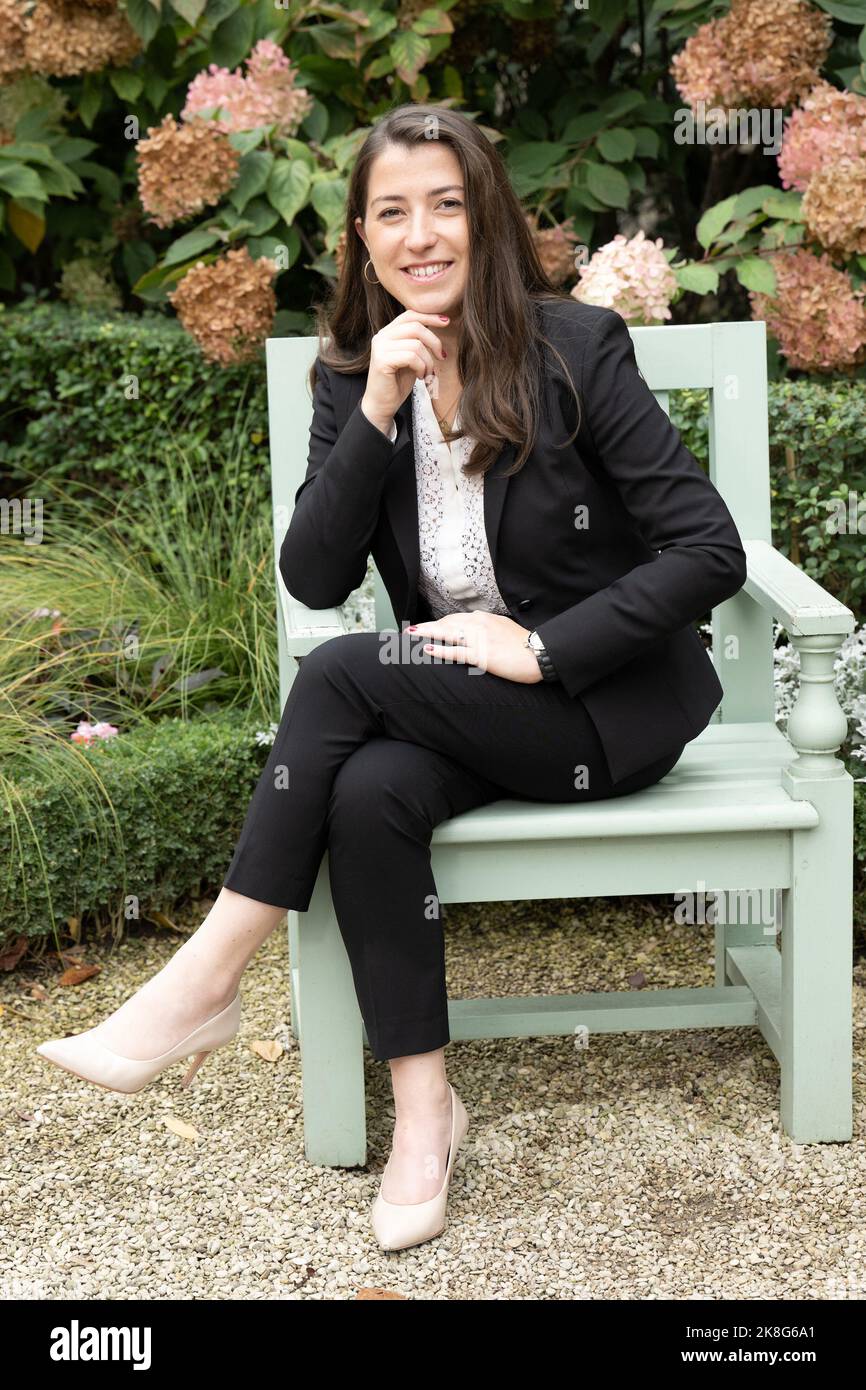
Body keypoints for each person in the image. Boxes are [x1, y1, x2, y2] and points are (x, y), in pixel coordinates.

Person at [36, 103, 748, 1253]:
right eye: (391, 213)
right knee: (367, 794)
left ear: (487, 219)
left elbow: (706, 550)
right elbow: (316, 575)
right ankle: (427, 1113)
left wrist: (547, 645)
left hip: (599, 710)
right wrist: (374, 409)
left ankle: (207, 975)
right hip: (458, 705)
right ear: (362, 241)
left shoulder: (576, 347)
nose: (421, 234)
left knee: (338, 677)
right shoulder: (352, 376)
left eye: (446, 204)